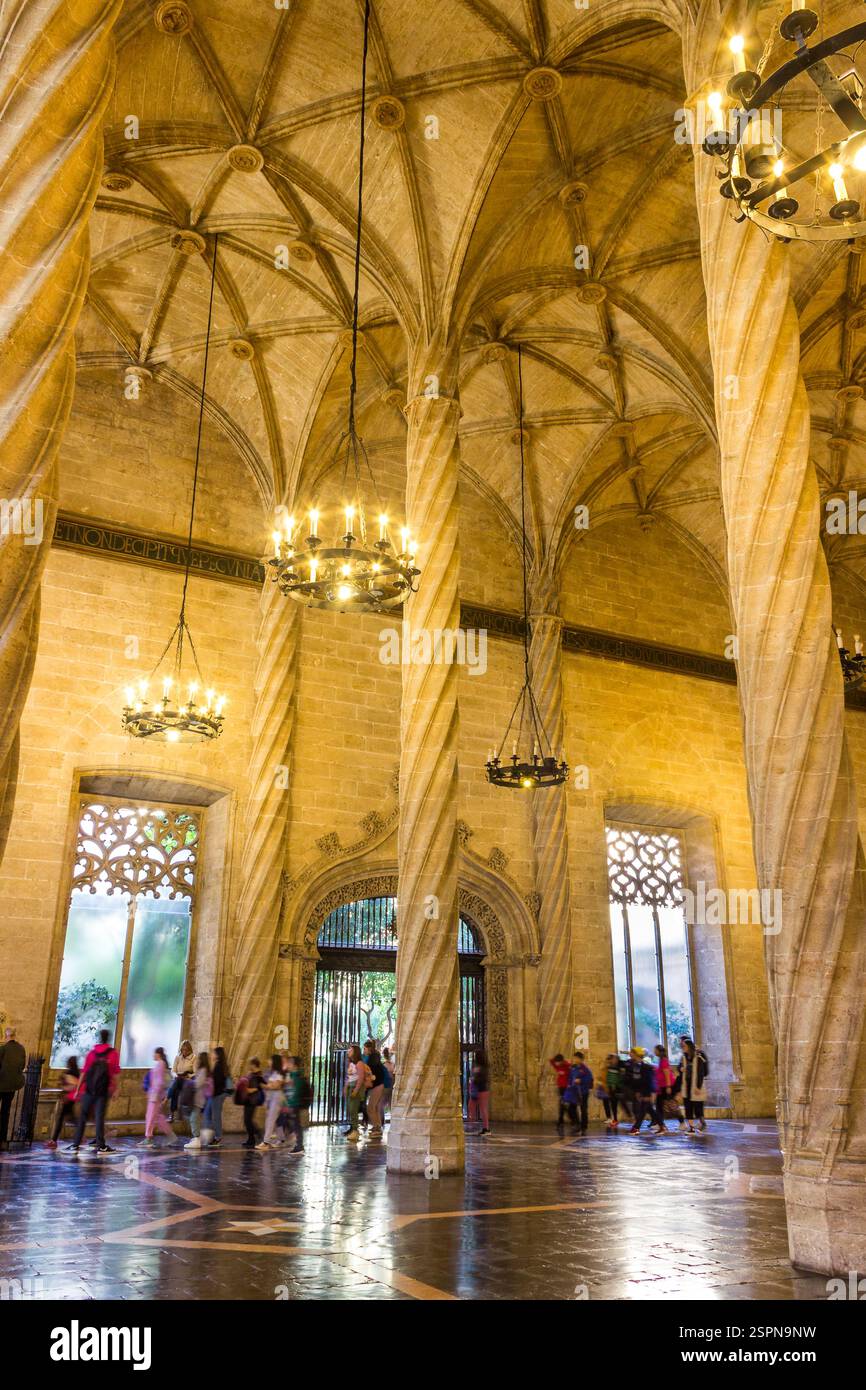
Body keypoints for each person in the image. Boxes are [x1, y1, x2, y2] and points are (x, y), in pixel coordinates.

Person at [67, 1029, 120, 1155]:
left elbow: (84, 1073)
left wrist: (78, 1089)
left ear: (99, 1038)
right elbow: (115, 1074)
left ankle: (75, 1145)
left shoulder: (91, 1053)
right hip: (103, 1091)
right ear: (108, 1039)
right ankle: (101, 1146)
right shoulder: (113, 1054)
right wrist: (116, 1089)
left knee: (83, 1117)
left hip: (89, 1090)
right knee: (99, 1117)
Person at [140, 1047, 173, 1147]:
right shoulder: (161, 1064)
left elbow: (159, 1081)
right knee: (158, 1117)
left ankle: (148, 1137)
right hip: (156, 1094)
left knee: (150, 1116)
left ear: (158, 1054)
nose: (153, 1055)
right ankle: (170, 1135)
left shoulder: (160, 1064)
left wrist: (153, 1093)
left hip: (155, 1095)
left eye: (154, 1053)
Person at [0, 1026, 26, 1148]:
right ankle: (3, 1140)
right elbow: (22, 1067)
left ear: (6, 1036)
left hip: (1, 1084)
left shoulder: (3, 1048)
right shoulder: (21, 1049)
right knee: (5, 1112)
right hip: (12, 1085)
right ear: (14, 1035)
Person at [46, 1056, 80, 1149]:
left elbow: (72, 1085)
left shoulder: (69, 1073)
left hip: (67, 1097)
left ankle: (54, 1140)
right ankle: (80, 1134)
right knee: (69, 1118)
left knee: (61, 1119)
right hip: (72, 1097)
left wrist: (64, 1088)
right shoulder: (77, 1072)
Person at [678, 1037, 709, 1133]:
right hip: (686, 1085)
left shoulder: (698, 1057)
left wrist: (698, 1087)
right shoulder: (684, 1057)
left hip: (695, 1086)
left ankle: (702, 1123)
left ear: (689, 1046)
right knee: (688, 1107)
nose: (683, 1047)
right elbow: (679, 1067)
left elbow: (701, 1073)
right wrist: (680, 1069)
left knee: (698, 1107)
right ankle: (691, 1128)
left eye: (684, 1046)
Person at [203, 1046, 231, 1147]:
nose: (212, 1055)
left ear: (218, 1055)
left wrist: (208, 1081)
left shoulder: (219, 1066)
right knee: (210, 1114)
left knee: (215, 1117)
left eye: (214, 1053)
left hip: (217, 1094)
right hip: (217, 1094)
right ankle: (212, 1136)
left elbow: (217, 1081)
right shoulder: (221, 1065)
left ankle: (218, 1137)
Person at [184, 1051, 213, 1151]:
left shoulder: (203, 1070)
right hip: (198, 1098)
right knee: (194, 1118)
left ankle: (197, 1139)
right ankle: (197, 1137)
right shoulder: (203, 1070)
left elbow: (198, 1084)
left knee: (193, 1118)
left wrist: (189, 1082)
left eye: (199, 1058)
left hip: (198, 1098)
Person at [623, 1047, 656, 1135]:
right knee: (648, 1109)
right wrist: (638, 1091)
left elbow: (648, 1080)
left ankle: (636, 1127)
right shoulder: (634, 1065)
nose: (630, 1054)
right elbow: (637, 1080)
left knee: (642, 1110)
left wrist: (651, 1093)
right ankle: (660, 1124)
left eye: (632, 1053)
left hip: (646, 1091)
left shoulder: (645, 1066)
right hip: (640, 1090)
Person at [257, 1054, 286, 1150]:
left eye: (270, 1060)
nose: (268, 1061)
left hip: (277, 1097)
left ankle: (266, 1142)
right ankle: (281, 1139)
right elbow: (271, 1085)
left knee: (270, 1120)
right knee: (275, 1120)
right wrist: (267, 1085)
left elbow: (276, 1086)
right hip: (272, 1097)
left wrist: (268, 1085)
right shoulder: (273, 1073)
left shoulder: (279, 1073)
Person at [563, 1052, 594, 1135]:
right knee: (571, 1108)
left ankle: (584, 1126)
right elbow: (570, 1077)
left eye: (576, 1058)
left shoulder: (585, 1069)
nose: (575, 1060)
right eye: (574, 1058)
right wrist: (569, 1085)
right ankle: (576, 1124)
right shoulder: (574, 1068)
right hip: (574, 1091)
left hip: (583, 1092)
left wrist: (581, 1080)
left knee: (583, 1109)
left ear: (580, 1059)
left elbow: (590, 1079)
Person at [238, 1057, 265, 1148]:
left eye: (250, 1064)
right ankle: (251, 1139)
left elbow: (259, 1087)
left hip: (252, 1100)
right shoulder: (252, 1074)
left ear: (254, 1065)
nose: (249, 1066)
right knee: (247, 1120)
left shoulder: (258, 1075)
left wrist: (248, 1089)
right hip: (248, 1100)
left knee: (248, 1120)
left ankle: (256, 1133)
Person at [651, 1044, 677, 1134]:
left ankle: (663, 1126)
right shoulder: (661, 1060)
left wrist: (668, 1087)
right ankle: (661, 1126)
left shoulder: (664, 1061)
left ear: (658, 1051)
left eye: (655, 1050)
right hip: (661, 1087)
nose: (654, 1052)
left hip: (665, 1087)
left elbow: (667, 1074)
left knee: (662, 1107)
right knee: (659, 1107)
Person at [282, 1055, 306, 1155]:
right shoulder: (291, 1075)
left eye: (290, 1063)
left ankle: (299, 1146)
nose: (288, 1064)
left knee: (297, 1125)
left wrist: (290, 1104)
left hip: (294, 1104)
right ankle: (295, 1140)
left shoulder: (298, 1076)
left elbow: (295, 1092)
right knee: (291, 1123)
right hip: (290, 1103)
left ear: (294, 1065)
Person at [344, 1044, 367, 1142]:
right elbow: (349, 1077)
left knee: (353, 1109)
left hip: (355, 1088)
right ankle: (353, 1129)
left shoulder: (360, 1064)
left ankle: (355, 1131)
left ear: (355, 1052)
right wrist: (345, 1087)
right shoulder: (351, 1063)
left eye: (351, 1050)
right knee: (350, 1108)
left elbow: (361, 1078)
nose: (348, 1051)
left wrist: (356, 1090)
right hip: (350, 1086)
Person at [168, 1040, 195, 1122]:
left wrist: (188, 1076)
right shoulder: (177, 1057)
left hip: (187, 1081)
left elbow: (196, 1073)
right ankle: (173, 1113)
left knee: (175, 1086)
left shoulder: (194, 1058)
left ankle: (166, 1098)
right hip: (178, 1080)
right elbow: (173, 1071)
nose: (184, 1052)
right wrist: (176, 1075)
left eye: (186, 1050)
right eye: (183, 1050)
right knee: (175, 1091)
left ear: (190, 1050)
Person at [364, 1043, 386, 1138]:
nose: (363, 1050)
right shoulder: (375, 1058)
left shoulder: (373, 1060)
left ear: (369, 1049)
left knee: (371, 1108)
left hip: (377, 1085)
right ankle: (377, 1127)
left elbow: (373, 1074)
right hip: (379, 1085)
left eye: (364, 1048)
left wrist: (370, 1078)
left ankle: (377, 1128)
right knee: (375, 1107)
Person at [468, 1048, 491, 1135]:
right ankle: (480, 1127)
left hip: (481, 1089)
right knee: (471, 1107)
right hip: (480, 1089)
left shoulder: (483, 1067)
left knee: (482, 1109)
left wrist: (475, 1078)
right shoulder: (478, 1065)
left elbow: (481, 1078)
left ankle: (485, 1128)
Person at [597, 1054, 623, 1129]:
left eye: (614, 1059)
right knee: (613, 1105)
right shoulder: (609, 1067)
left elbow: (619, 1078)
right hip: (610, 1089)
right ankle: (614, 1119)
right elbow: (605, 1076)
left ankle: (616, 1119)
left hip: (616, 1089)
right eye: (612, 1059)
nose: (612, 1061)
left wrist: (617, 1086)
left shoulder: (618, 1068)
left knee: (615, 1104)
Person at [549, 1053, 571, 1133]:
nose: (556, 1063)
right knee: (562, 1104)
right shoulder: (557, 1066)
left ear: (561, 1061)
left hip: (566, 1087)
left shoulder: (567, 1066)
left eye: (557, 1062)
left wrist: (565, 1062)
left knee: (563, 1104)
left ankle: (562, 1121)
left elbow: (571, 1074)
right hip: (560, 1087)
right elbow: (551, 1061)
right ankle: (562, 1121)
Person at [381, 1047, 395, 1120]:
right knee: (390, 1103)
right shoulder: (393, 1064)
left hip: (386, 1085)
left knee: (381, 1104)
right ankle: (393, 1119)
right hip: (392, 1085)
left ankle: (381, 1121)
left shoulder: (384, 1065)